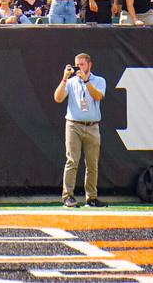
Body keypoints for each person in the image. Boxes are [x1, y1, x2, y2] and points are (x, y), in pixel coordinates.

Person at [54, 53, 108, 208]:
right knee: (72, 160)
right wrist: (64, 78)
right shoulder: (71, 82)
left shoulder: (99, 80)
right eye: (77, 65)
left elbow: (98, 96)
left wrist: (86, 81)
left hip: (92, 125)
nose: (79, 68)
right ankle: (68, 196)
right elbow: (57, 98)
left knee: (92, 163)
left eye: (82, 65)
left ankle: (91, 197)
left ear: (90, 65)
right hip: (73, 125)